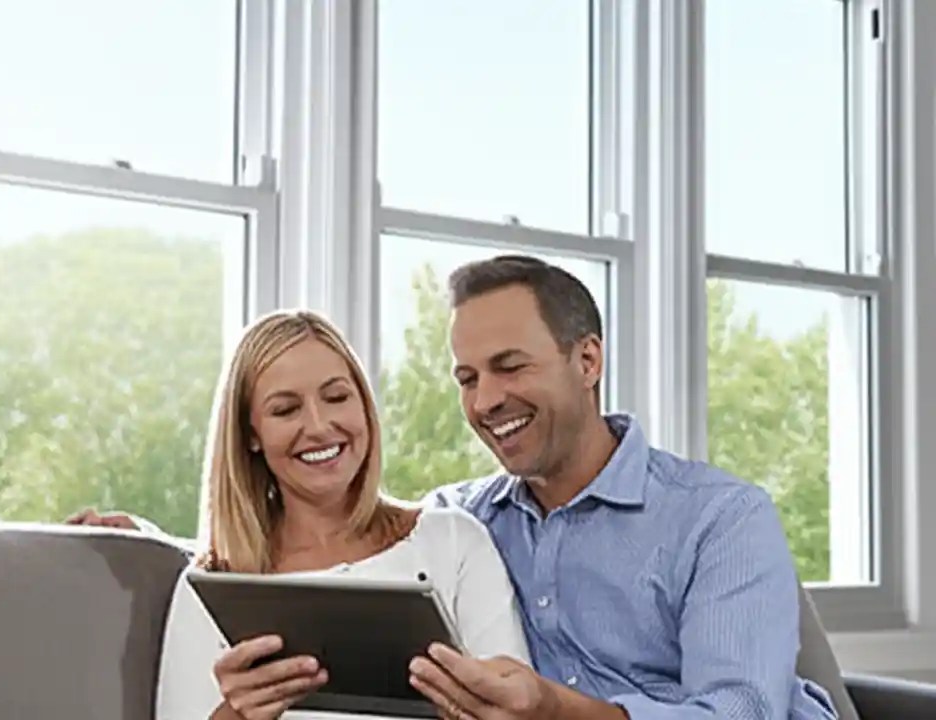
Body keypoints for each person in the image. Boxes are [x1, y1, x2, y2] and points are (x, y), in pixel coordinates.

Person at [73, 256, 839, 719]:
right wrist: (158, 544)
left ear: (588, 359)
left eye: (511, 367)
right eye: (468, 378)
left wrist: (557, 711)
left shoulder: (720, 519)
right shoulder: (463, 519)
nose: (485, 401)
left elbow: (743, 712)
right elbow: (337, 549)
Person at [145, 309, 532, 720]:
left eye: (336, 397)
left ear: (364, 406)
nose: (318, 426)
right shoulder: (211, 584)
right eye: (285, 410)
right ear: (251, 435)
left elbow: (518, 710)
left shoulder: (453, 541)